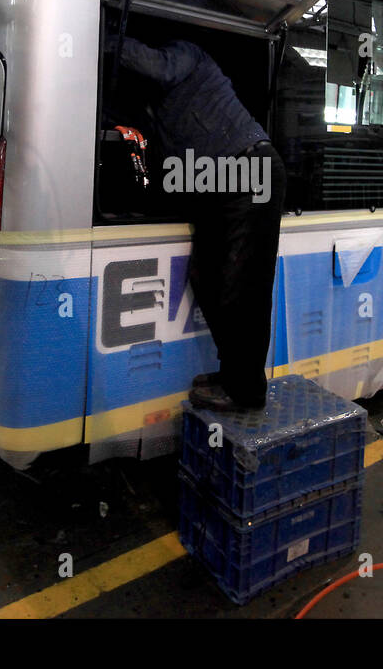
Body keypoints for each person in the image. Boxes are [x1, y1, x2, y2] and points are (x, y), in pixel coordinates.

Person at [118, 36, 285, 412]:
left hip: (251, 171)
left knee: (243, 287)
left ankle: (246, 390)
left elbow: (154, 64)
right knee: (207, 277)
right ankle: (233, 373)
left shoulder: (189, 56)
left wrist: (104, 38)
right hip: (217, 183)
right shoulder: (157, 109)